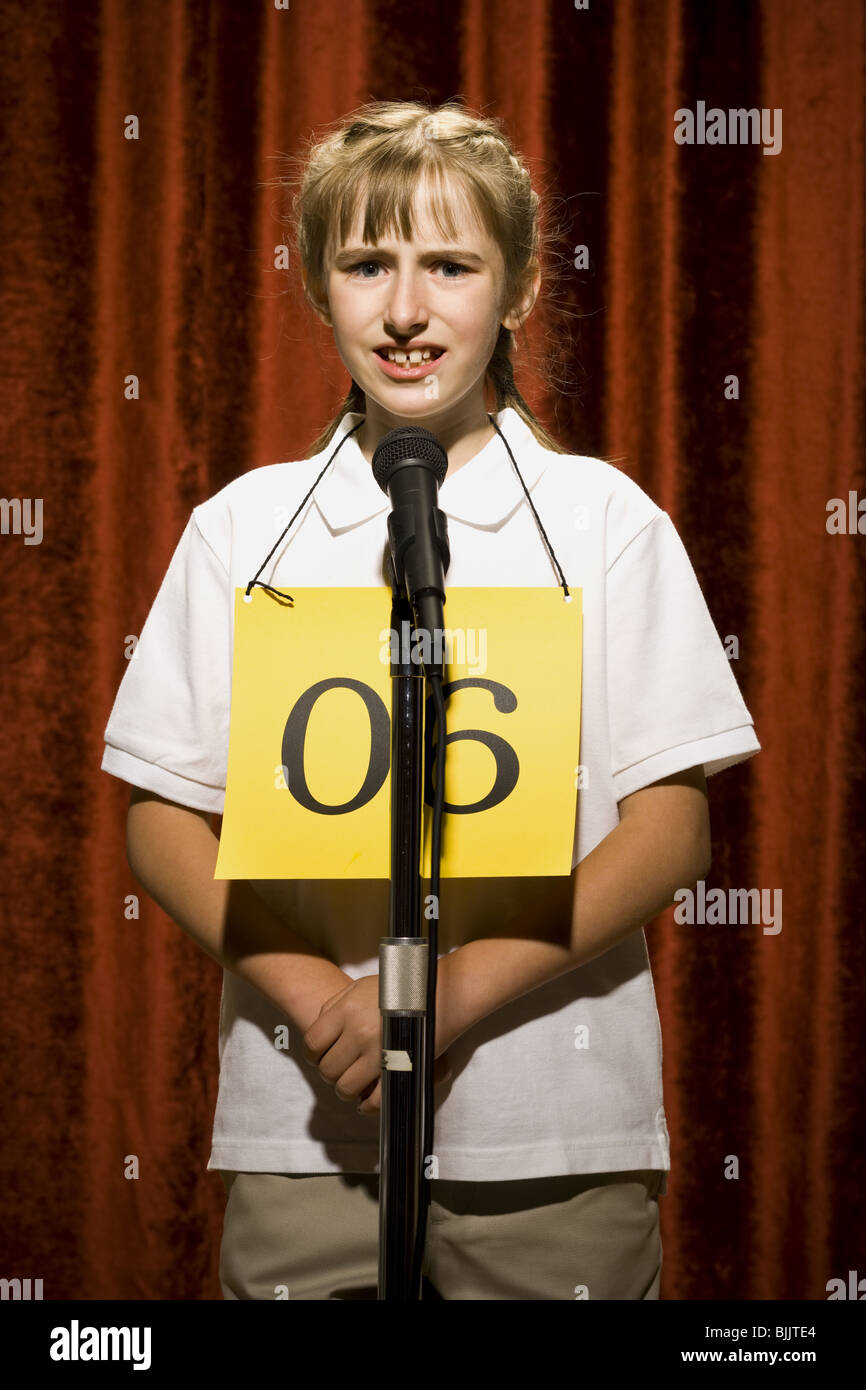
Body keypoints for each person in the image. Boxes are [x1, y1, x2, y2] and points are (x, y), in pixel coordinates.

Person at [101, 99, 760, 1301]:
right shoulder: (240, 526)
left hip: (551, 1128)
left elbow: (668, 831)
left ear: (511, 294)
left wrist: (447, 990)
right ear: (317, 287)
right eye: (366, 265)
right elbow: (160, 813)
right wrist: (322, 998)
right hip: (309, 1120)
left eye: (449, 265)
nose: (405, 309)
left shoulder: (604, 522)